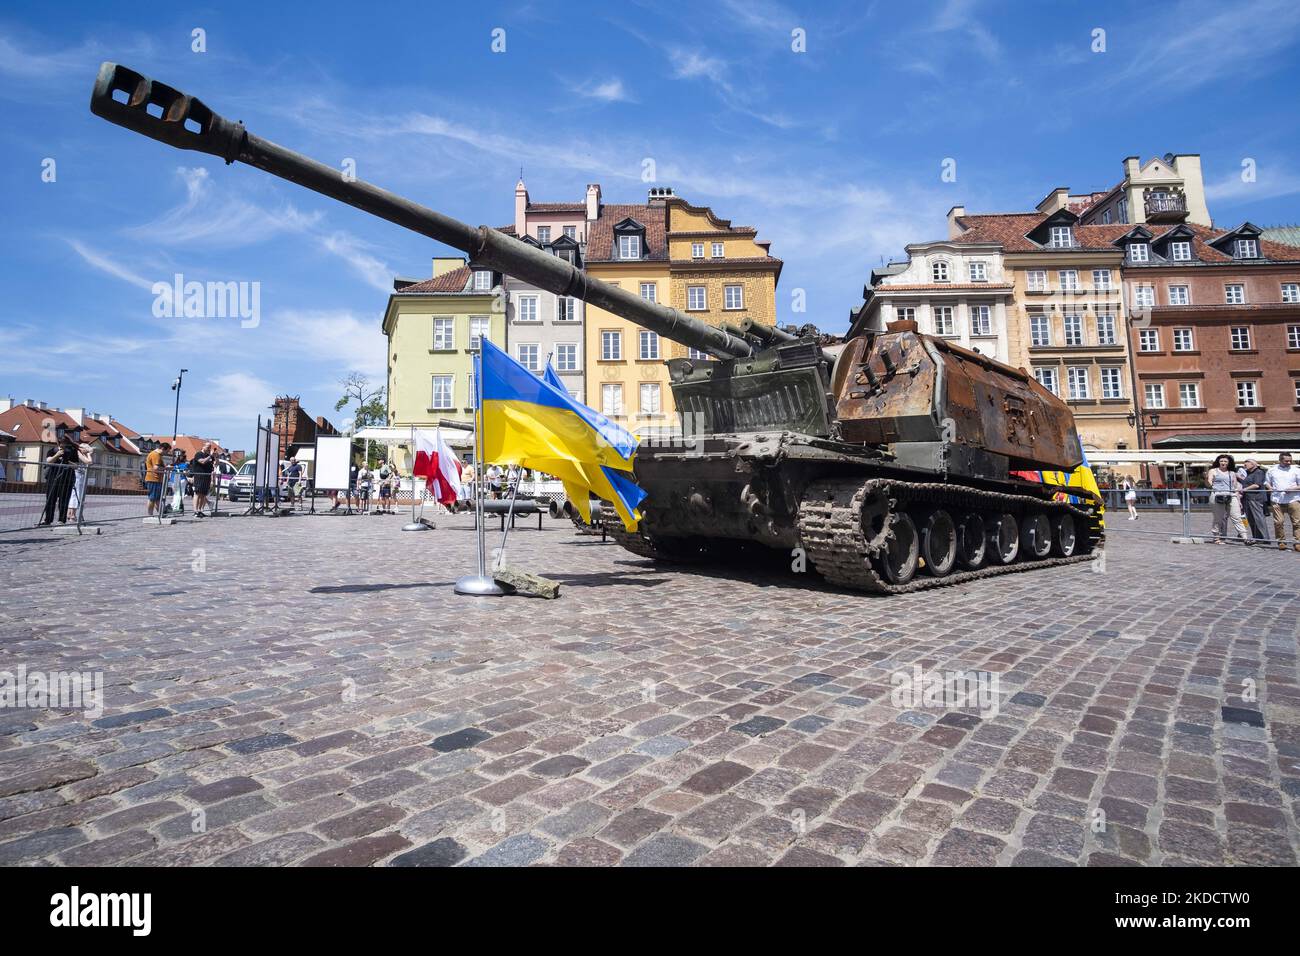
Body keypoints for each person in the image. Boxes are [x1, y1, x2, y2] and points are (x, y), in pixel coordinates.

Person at [1206, 454, 1247, 544]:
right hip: (1217, 495)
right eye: (1221, 461)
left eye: (1225, 461)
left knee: (1237, 517)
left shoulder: (1231, 473)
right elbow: (1209, 482)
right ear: (1218, 462)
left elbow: (1235, 487)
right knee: (1218, 518)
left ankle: (1245, 537)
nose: (1223, 463)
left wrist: (1239, 500)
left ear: (1229, 463)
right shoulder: (1213, 471)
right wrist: (1208, 482)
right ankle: (1216, 537)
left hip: (1231, 495)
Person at [38, 431, 78, 525]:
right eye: (62, 444)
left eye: (66, 444)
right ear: (59, 444)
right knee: (50, 499)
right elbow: (48, 461)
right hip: (53, 478)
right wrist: (57, 455)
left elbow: (76, 466)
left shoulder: (72, 452)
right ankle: (48, 519)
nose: (64, 446)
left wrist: (67, 461)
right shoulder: (53, 450)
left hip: (67, 479)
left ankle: (62, 519)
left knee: (64, 500)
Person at [1266, 451, 1300, 552]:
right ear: (1280, 460)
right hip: (1277, 499)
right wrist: (1270, 488)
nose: (1289, 463)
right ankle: (1281, 541)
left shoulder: (1296, 470)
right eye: (1286, 461)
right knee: (1278, 522)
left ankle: (1297, 542)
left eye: (1290, 461)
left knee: (1297, 522)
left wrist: (1292, 489)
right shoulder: (1272, 470)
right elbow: (1267, 482)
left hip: (1293, 499)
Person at [1238, 457, 1270, 544]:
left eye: (1246, 464)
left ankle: (1265, 539)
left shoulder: (1259, 472)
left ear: (1253, 464)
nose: (1244, 466)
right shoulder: (1248, 473)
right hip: (1248, 499)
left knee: (1259, 519)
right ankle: (1257, 538)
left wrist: (1244, 489)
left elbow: (1257, 485)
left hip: (1256, 499)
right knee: (1251, 520)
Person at [66, 436, 94, 523]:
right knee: (76, 494)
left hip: (79, 475)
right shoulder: (79, 453)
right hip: (77, 476)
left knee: (75, 495)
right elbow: (89, 462)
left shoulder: (79, 452)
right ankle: (72, 515)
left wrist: (89, 452)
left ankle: (70, 514)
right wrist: (89, 454)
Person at [144, 441, 170, 516]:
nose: (167, 453)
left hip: (156, 479)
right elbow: (156, 468)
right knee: (152, 498)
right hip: (153, 478)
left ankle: (160, 514)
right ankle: (150, 515)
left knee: (157, 499)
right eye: (167, 451)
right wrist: (166, 468)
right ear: (162, 448)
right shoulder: (156, 455)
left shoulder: (156, 454)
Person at [190, 442, 215, 516]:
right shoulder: (198, 454)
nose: (209, 449)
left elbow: (216, 463)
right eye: (208, 447)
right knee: (197, 493)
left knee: (203, 494)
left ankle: (200, 510)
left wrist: (215, 457)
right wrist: (210, 456)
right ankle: (195, 511)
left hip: (207, 476)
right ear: (203, 446)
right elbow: (203, 461)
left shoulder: (209, 456)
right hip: (199, 476)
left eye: (210, 447)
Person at [168, 449, 188, 514]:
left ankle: (176, 506)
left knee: (176, 494)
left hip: (173, 480)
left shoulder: (173, 464)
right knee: (180, 494)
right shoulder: (184, 464)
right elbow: (185, 473)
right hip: (181, 479)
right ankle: (174, 506)